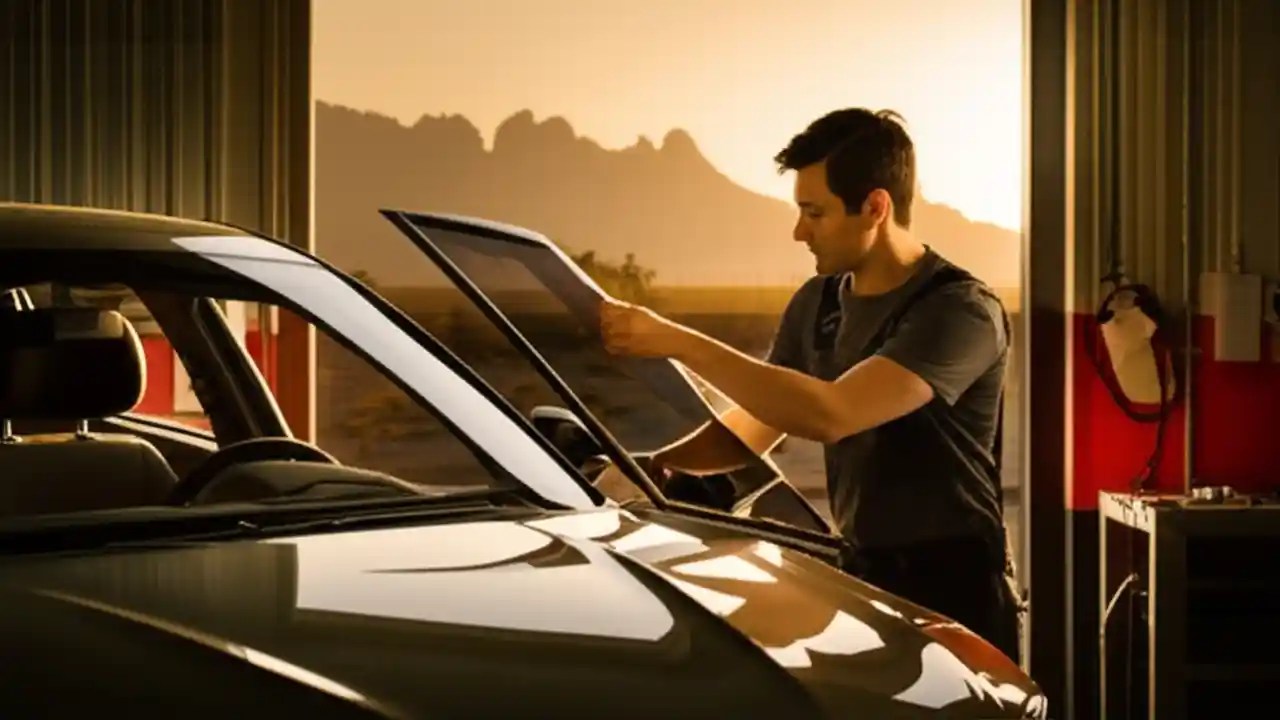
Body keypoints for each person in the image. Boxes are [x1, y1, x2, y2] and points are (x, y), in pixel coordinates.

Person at [597, 107, 1021, 662]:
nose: (799, 232)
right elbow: (757, 424)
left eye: (814, 213)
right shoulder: (816, 303)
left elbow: (831, 414)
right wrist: (655, 468)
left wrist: (678, 341)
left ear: (875, 208)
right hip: (865, 575)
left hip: (956, 590)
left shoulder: (958, 311)